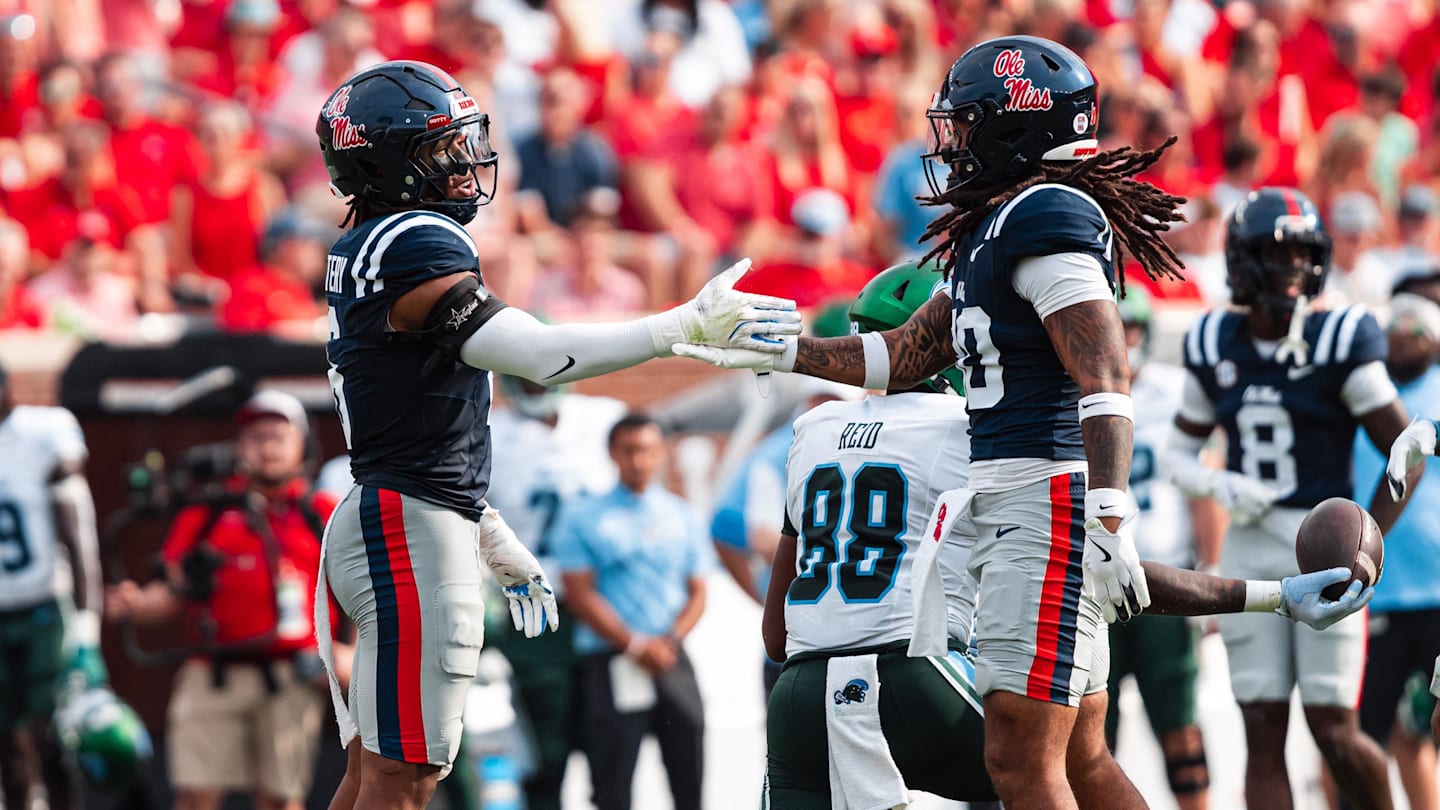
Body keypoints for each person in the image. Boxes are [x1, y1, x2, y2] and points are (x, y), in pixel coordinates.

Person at [682, 34, 1187, 808]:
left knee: (1024, 762)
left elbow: (1104, 370)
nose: (951, 143)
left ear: (1016, 126)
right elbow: (904, 355)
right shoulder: (995, 229)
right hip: (1021, 497)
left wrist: (1110, 512)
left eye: (967, 123)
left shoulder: (1045, 212)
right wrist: (779, 348)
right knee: (1080, 760)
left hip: (1039, 497)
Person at [313, 60, 798, 810]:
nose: (465, 162)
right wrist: (678, 327)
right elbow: (540, 357)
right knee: (404, 778)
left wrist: (480, 519)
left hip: (397, 510)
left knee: (374, 773)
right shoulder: (413, 239)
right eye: (441, 148)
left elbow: (412, 414)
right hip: (409, 524)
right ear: (388, 163)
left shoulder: (369, 245)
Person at [759, 260, 1373, 810]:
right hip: (914, 679)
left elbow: (776, 635)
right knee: (1069, 758)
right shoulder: (968, 431)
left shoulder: (813, 430)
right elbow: (1102, 572)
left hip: (798, 701)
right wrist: (1272, 596)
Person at [1167, 187, 1415, 810]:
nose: (1295, 268)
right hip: (1250, 542)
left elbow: (1405, 451)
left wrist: (1367, 541)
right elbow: (1177, 454)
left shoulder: (1341, 334)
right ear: (1243, 259)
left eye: (1305, 254)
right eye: (1279, 255)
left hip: (1328, 543)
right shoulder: (1214, 340)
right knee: (1261, 728)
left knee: (1334, 731)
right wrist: (1218, 483)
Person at [106, 390, 345, 810]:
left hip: (293, 674)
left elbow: (364, 593)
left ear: (302, 444)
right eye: (255, 436)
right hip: (213, 671)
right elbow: (172, 592)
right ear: (238, 446)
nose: (267, 447)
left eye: (277, 436)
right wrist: (135, 604)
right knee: (196, 795)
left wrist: (350, 655)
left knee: (281, 799)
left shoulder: (322, 513)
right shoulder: (207, 512)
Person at [550, 413, 713, 810]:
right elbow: (580, 594)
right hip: (613, 658)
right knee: (613, 780)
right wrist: (635, 644)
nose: (639, 461)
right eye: (629, 451)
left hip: (669, 654)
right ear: (613, 453)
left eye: (647, 451)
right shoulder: (584, 516)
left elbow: (698, 590)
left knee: (689, 767)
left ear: (660, 453)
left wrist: (670, 639)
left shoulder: (680, 513)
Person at [485, 375, 625, 810]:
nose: (536, 384)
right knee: (545, 750)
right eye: (525, 377)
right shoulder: (488, 434)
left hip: (607, 608)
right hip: (535, 612)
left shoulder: (605, 418)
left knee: (613, 745)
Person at [1105, 287, 1217, 810]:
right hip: (1094, 587)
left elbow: (1201, 487)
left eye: (1130, 330)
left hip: (1163, 579)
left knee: (1179, 726)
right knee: (1091, 736)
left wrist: (1210, 568)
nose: (1123, 342)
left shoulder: (1174, 392)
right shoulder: (1066, 391)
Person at [0, 364, 103, 810]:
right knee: (8, 743)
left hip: (43, 606)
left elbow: (77, 534)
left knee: (57, 735)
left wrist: (86, 628)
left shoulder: (44, 433)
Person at [1352, 293, 1440, 810]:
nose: (1402, 336)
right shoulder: (1362, 388)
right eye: (1395, 328)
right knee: (1358, 734)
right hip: (1375, 593)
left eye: (1415, 329)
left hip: (1436, 589)